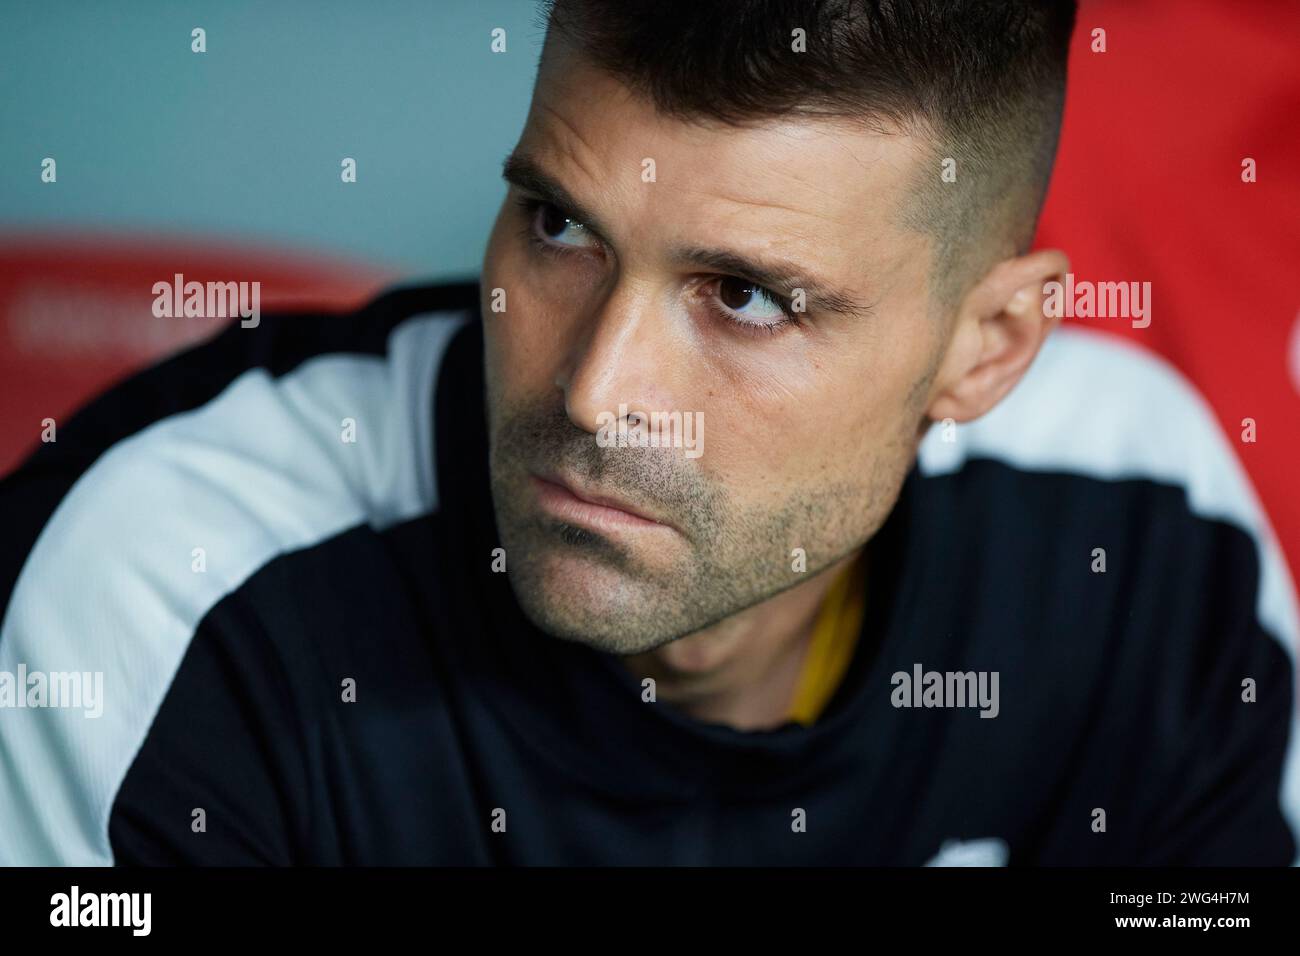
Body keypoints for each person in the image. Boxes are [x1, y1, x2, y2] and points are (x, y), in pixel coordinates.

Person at [1, 0, 1295, 866]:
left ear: (989, 349)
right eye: (561, 229)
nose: (591, 395)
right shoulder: (158, 594)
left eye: (745, 297)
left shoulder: (1140, 538)